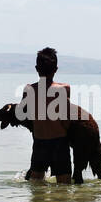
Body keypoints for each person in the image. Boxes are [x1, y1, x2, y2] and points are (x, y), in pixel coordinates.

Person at [18, 46, 72, 184]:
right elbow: (66, 117)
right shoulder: (64, 89)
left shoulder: (28, 90)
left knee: (36, 186)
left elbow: (22, 115)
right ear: (56, 69)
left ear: (36, 68)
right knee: (64, 185)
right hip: (60, 141)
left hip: (40, 142)